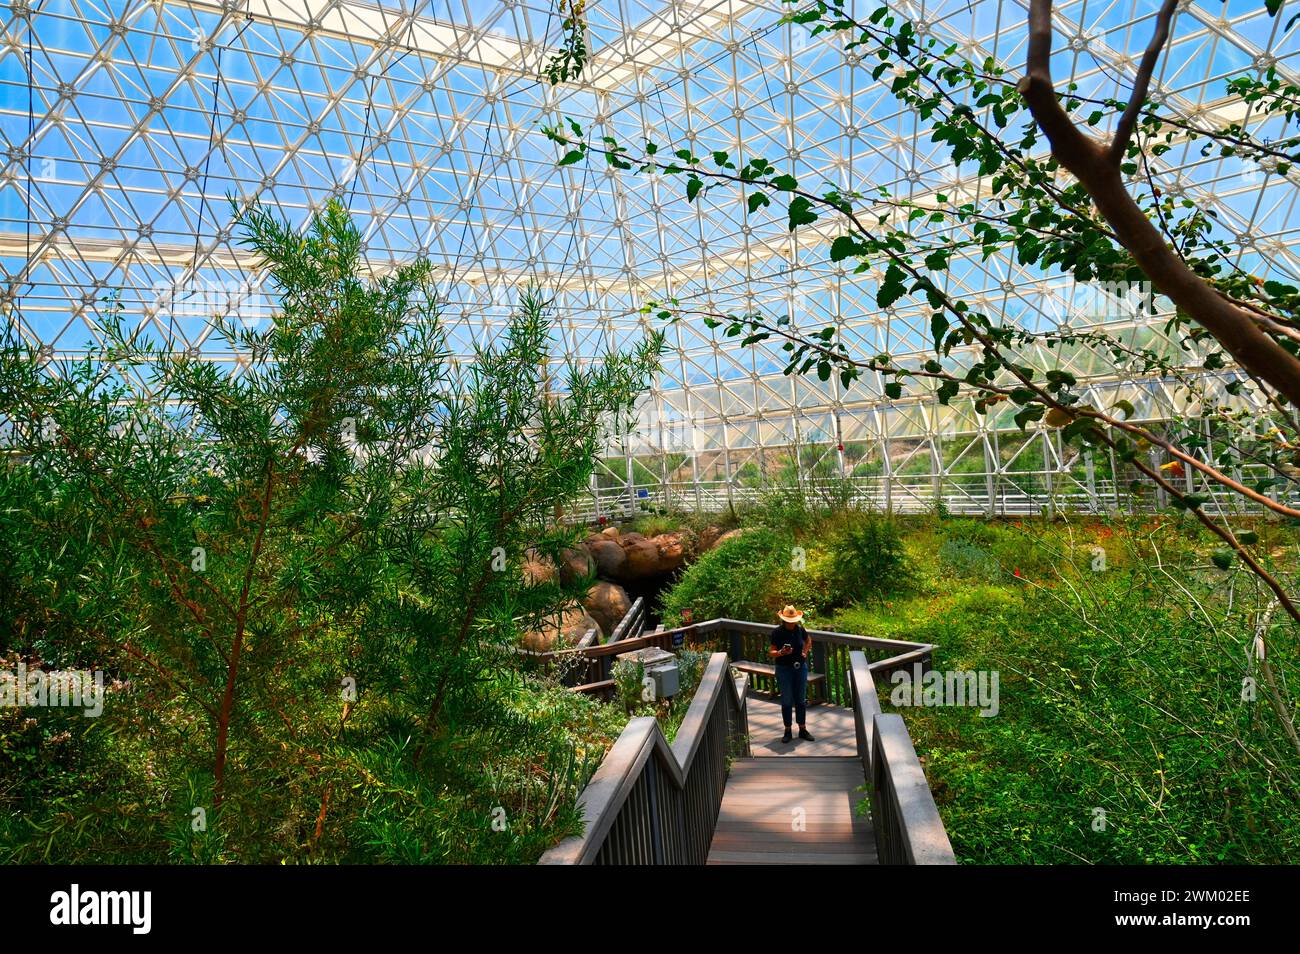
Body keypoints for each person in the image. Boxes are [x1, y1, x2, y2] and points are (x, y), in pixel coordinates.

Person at [768, 605, 815, 744]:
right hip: (783, 669)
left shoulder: (800, 630)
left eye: (793, 620)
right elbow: (771, 652)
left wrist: (805, 652)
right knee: (787, 700)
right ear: (784, 620)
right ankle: (787, 730)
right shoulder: (777, 633)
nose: (792, 622)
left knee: (800, 699)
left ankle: (802, 729)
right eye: (789, 620)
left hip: (800, 668)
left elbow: (808, 641)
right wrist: (781, 652)